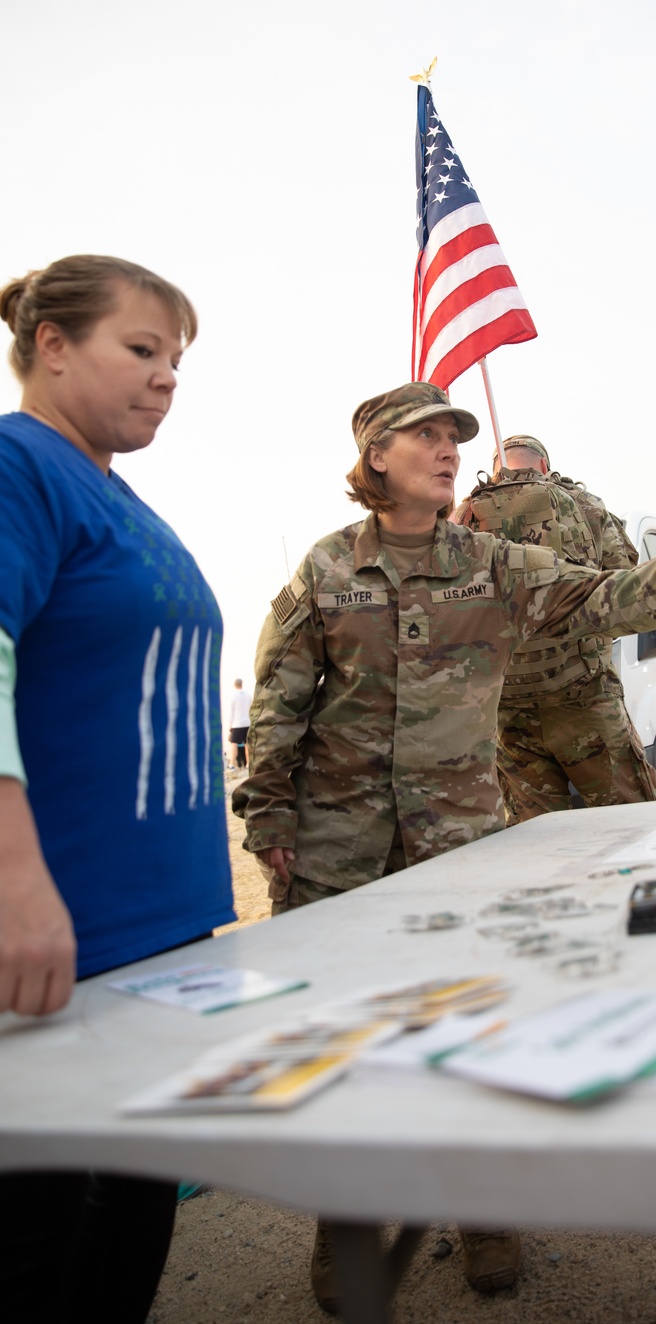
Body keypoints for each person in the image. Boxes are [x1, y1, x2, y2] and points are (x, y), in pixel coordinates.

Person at [233, 381, 656, 1310]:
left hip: (456, 848)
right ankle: (344, 1226)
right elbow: (279, 701)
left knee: (462, 1023)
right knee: (344, 1040)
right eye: (423, 435)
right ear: (375, 456)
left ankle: (483, 1215)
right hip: (334, 853)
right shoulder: (325, 569)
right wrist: (267, 821)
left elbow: (599, 597)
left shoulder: (495, 564)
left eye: (452, 435)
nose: (447, 448)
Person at [0, 255, 235, 1324]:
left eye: (175, 360)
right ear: (52, 345)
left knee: (134, 1220)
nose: (166, 378)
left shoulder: (117, 491)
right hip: (61, 935)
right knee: (39, 1240)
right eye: (141, 349)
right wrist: (12, 876)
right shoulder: (19, 465)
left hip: (162, 930)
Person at [456, 435, 656, 820]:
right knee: (634, 822)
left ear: (497, 468)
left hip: (508, 709)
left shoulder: (464, 514)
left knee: (539, 838)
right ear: (543, 467)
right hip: (584, 698)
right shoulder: (584, 505)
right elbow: (623, 594)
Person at [228, 676, 252, 771]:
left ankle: (231, 764)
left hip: (237, 723)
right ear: (242, 684)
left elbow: (231, 713)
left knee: (234, 744)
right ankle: (249, 764)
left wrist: (230, 726)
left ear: (234, 685)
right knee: (247, 744)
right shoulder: (248, 695)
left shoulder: (233, 696)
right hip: (247, 722)